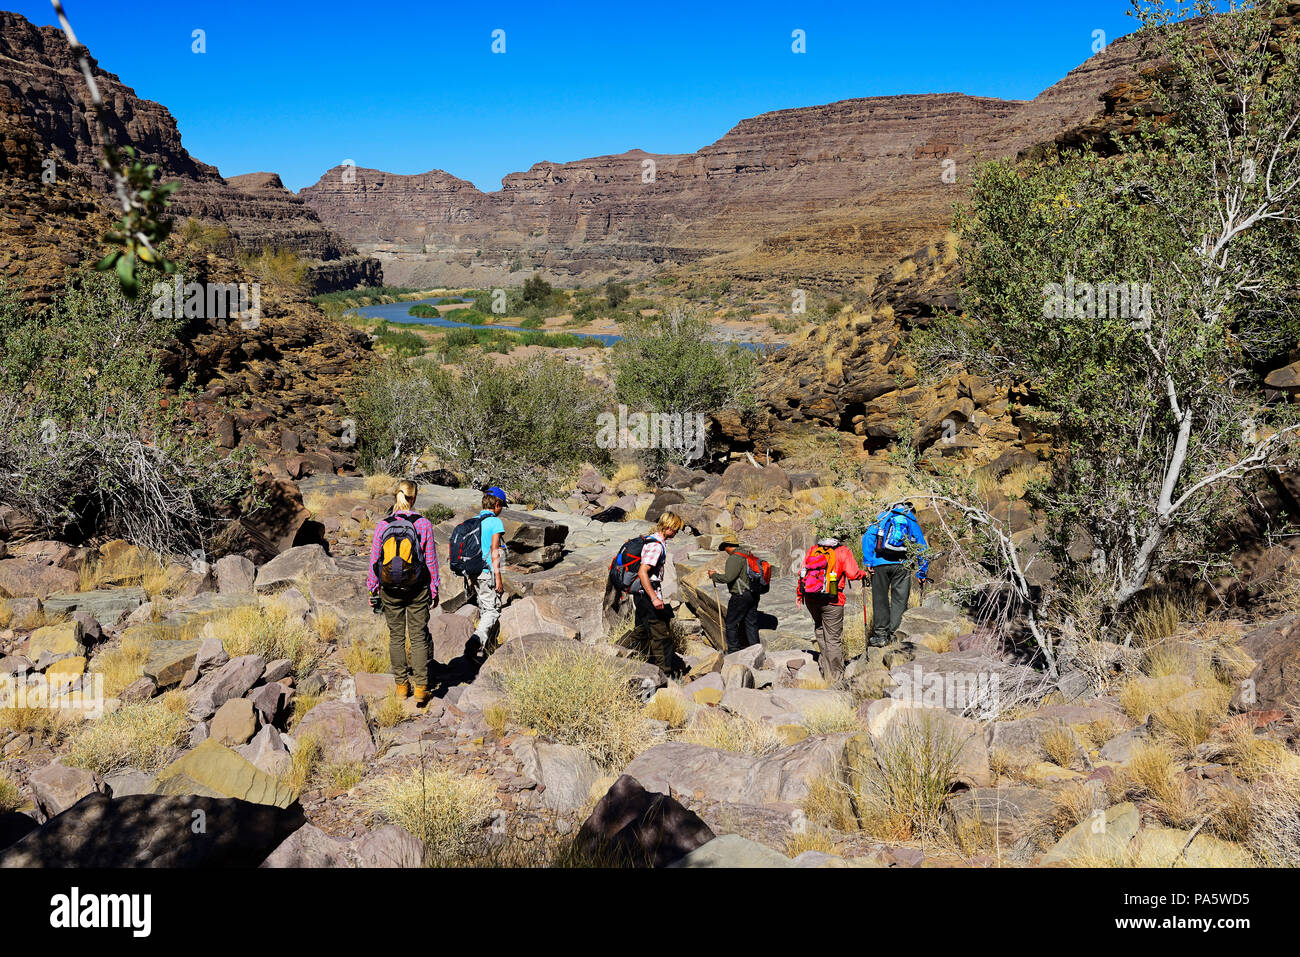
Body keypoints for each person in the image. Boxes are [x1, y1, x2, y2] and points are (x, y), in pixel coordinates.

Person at [366, 480, 439, 705]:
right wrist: (434, 589)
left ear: (395, 496)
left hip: (389, 588)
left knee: (396, 637)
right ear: (414, 497)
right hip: (417, 588)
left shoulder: (383, 525)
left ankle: (400, 686)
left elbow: (375, 560)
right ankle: (421, 687)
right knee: (418, 636)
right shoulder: (423, 524)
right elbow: (430, 561)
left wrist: (373, 588)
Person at [796, 535, 867, 681]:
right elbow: (853, 574)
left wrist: (799, 595)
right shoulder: (843, 551)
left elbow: (802, 572)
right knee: (833, 639)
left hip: (811, 598)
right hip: (832, 601)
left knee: (820, 629)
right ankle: (835, 677)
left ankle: (825, 668)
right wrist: (864, 573)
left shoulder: (814, 549)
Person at [862, 501, 929, 647]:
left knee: (880, 599)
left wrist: (868, 562)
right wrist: (922, 573)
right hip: (902, 565)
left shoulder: (883, 517)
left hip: (880, 564)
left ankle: (880, 636)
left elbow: (868, 537)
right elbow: (922, 548)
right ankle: (894, 635)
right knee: (899, 601)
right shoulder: (911, 520)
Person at [633, 511, 687, 678]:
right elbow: (643, 572)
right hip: (648, 596)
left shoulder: (654, 540)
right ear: (667, 527)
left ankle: (625, 657)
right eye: (676, 528)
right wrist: (655, 598)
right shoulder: (656, 545)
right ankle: (665, 675)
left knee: (641, 631)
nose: (677, 531)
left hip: (642, 595)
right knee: (661, 636)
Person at [468, 486, 508, 658]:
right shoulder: (495, 522)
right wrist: (498, 578)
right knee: (492, 611)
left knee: (485, 608)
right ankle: (476, 640)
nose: (501, 511)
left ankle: (487, 651)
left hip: (473, 572)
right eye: (502, 506)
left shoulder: (474, 521)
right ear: (497, 503)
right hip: (487, 573)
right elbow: (494, 550)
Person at [709, 537, 761, 653]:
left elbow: (728, 577)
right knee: (750, 623)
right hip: (753, 593)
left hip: (741, 595)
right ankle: (756, 651)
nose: (725, 551)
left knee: (731, 623)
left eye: (725, 548)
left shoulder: (735, 558)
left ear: (728, 546)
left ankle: (733, 651)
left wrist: (714, 576)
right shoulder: (748, 555)